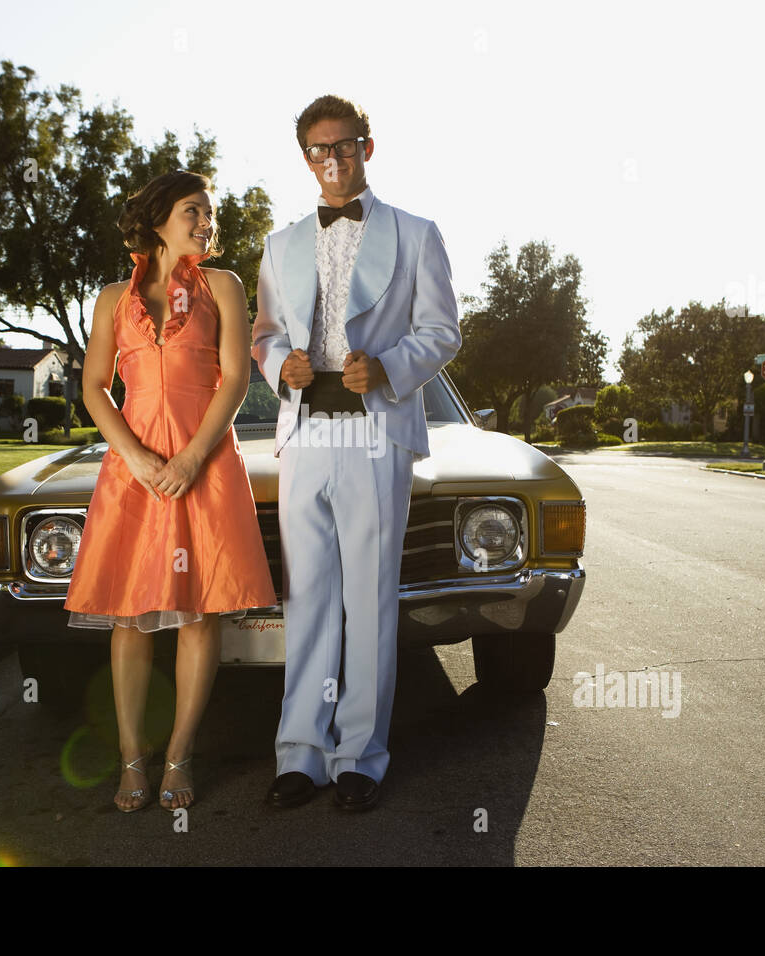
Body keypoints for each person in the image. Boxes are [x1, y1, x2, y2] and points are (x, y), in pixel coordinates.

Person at [251, 95, 461, 812]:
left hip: (376, 430)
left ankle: (361, 757)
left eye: (344, 145)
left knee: (369, 597)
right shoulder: (279, 245)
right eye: (318, 149)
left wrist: (394, 367)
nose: (332, 159)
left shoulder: (417, 234)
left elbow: (442, 331)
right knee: (307, 596)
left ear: (368, 147)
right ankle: (299, 752)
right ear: (305, 156)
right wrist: (282, 362)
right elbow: (265, 334)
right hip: (306, 430)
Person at [64, 170, 277, 813]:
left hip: (205, 464)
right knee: (128, 618)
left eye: (208, 211)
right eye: (193, 209)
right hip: (133, 473)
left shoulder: (224, 287)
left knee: (198, 613)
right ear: (159, 219)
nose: (206, 220)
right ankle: (133, 759)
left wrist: (188, 458)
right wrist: (134, 456)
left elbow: (236, 380)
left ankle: (180, 752)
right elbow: (95, 387)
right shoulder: (110, 298)